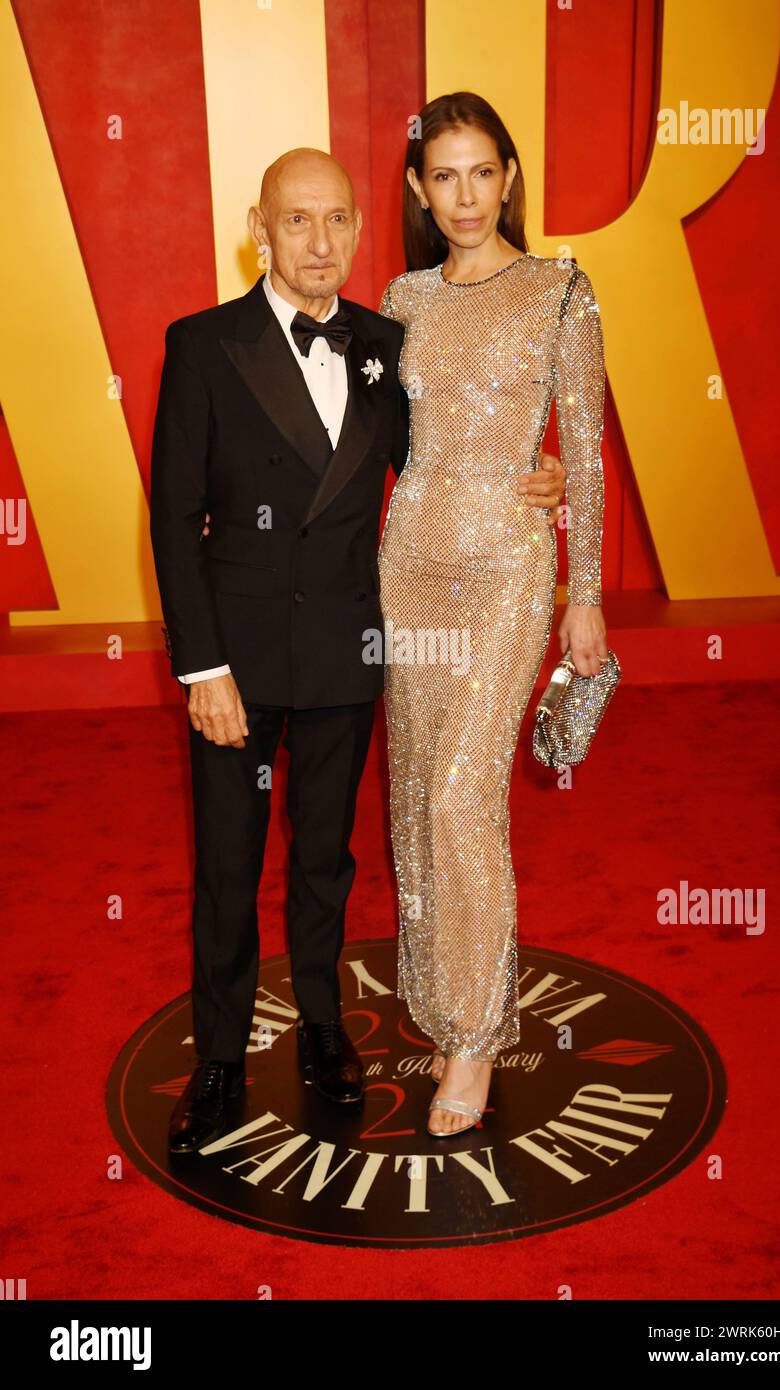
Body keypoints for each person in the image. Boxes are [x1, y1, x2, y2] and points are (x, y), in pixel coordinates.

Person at [149, 147, 567, 1156]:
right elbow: (172, 516)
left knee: (325, 862)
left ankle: (323, 1032)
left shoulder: (386, 342)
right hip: (236, 670)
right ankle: (216, 1057)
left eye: (337, 219)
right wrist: (200, 668)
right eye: (298, 221)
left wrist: (536, 470)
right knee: (226, 866)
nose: (321, 241)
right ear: (260, 229)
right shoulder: (204, 343)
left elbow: (442, 462)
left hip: (345, 649)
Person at [377, 93, 609, 1137]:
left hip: (508, 573)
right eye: (443, 177)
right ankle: (433, 996)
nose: (464, 196)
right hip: (409, 563)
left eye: (481, 172)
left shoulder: (559, 288)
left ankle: (473, 1036)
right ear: (420, 191)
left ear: (508, 176)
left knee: (464, 795)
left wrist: (586, 595)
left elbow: (587, 453)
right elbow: (372, 440)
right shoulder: (402, 296)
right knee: (415, 788)